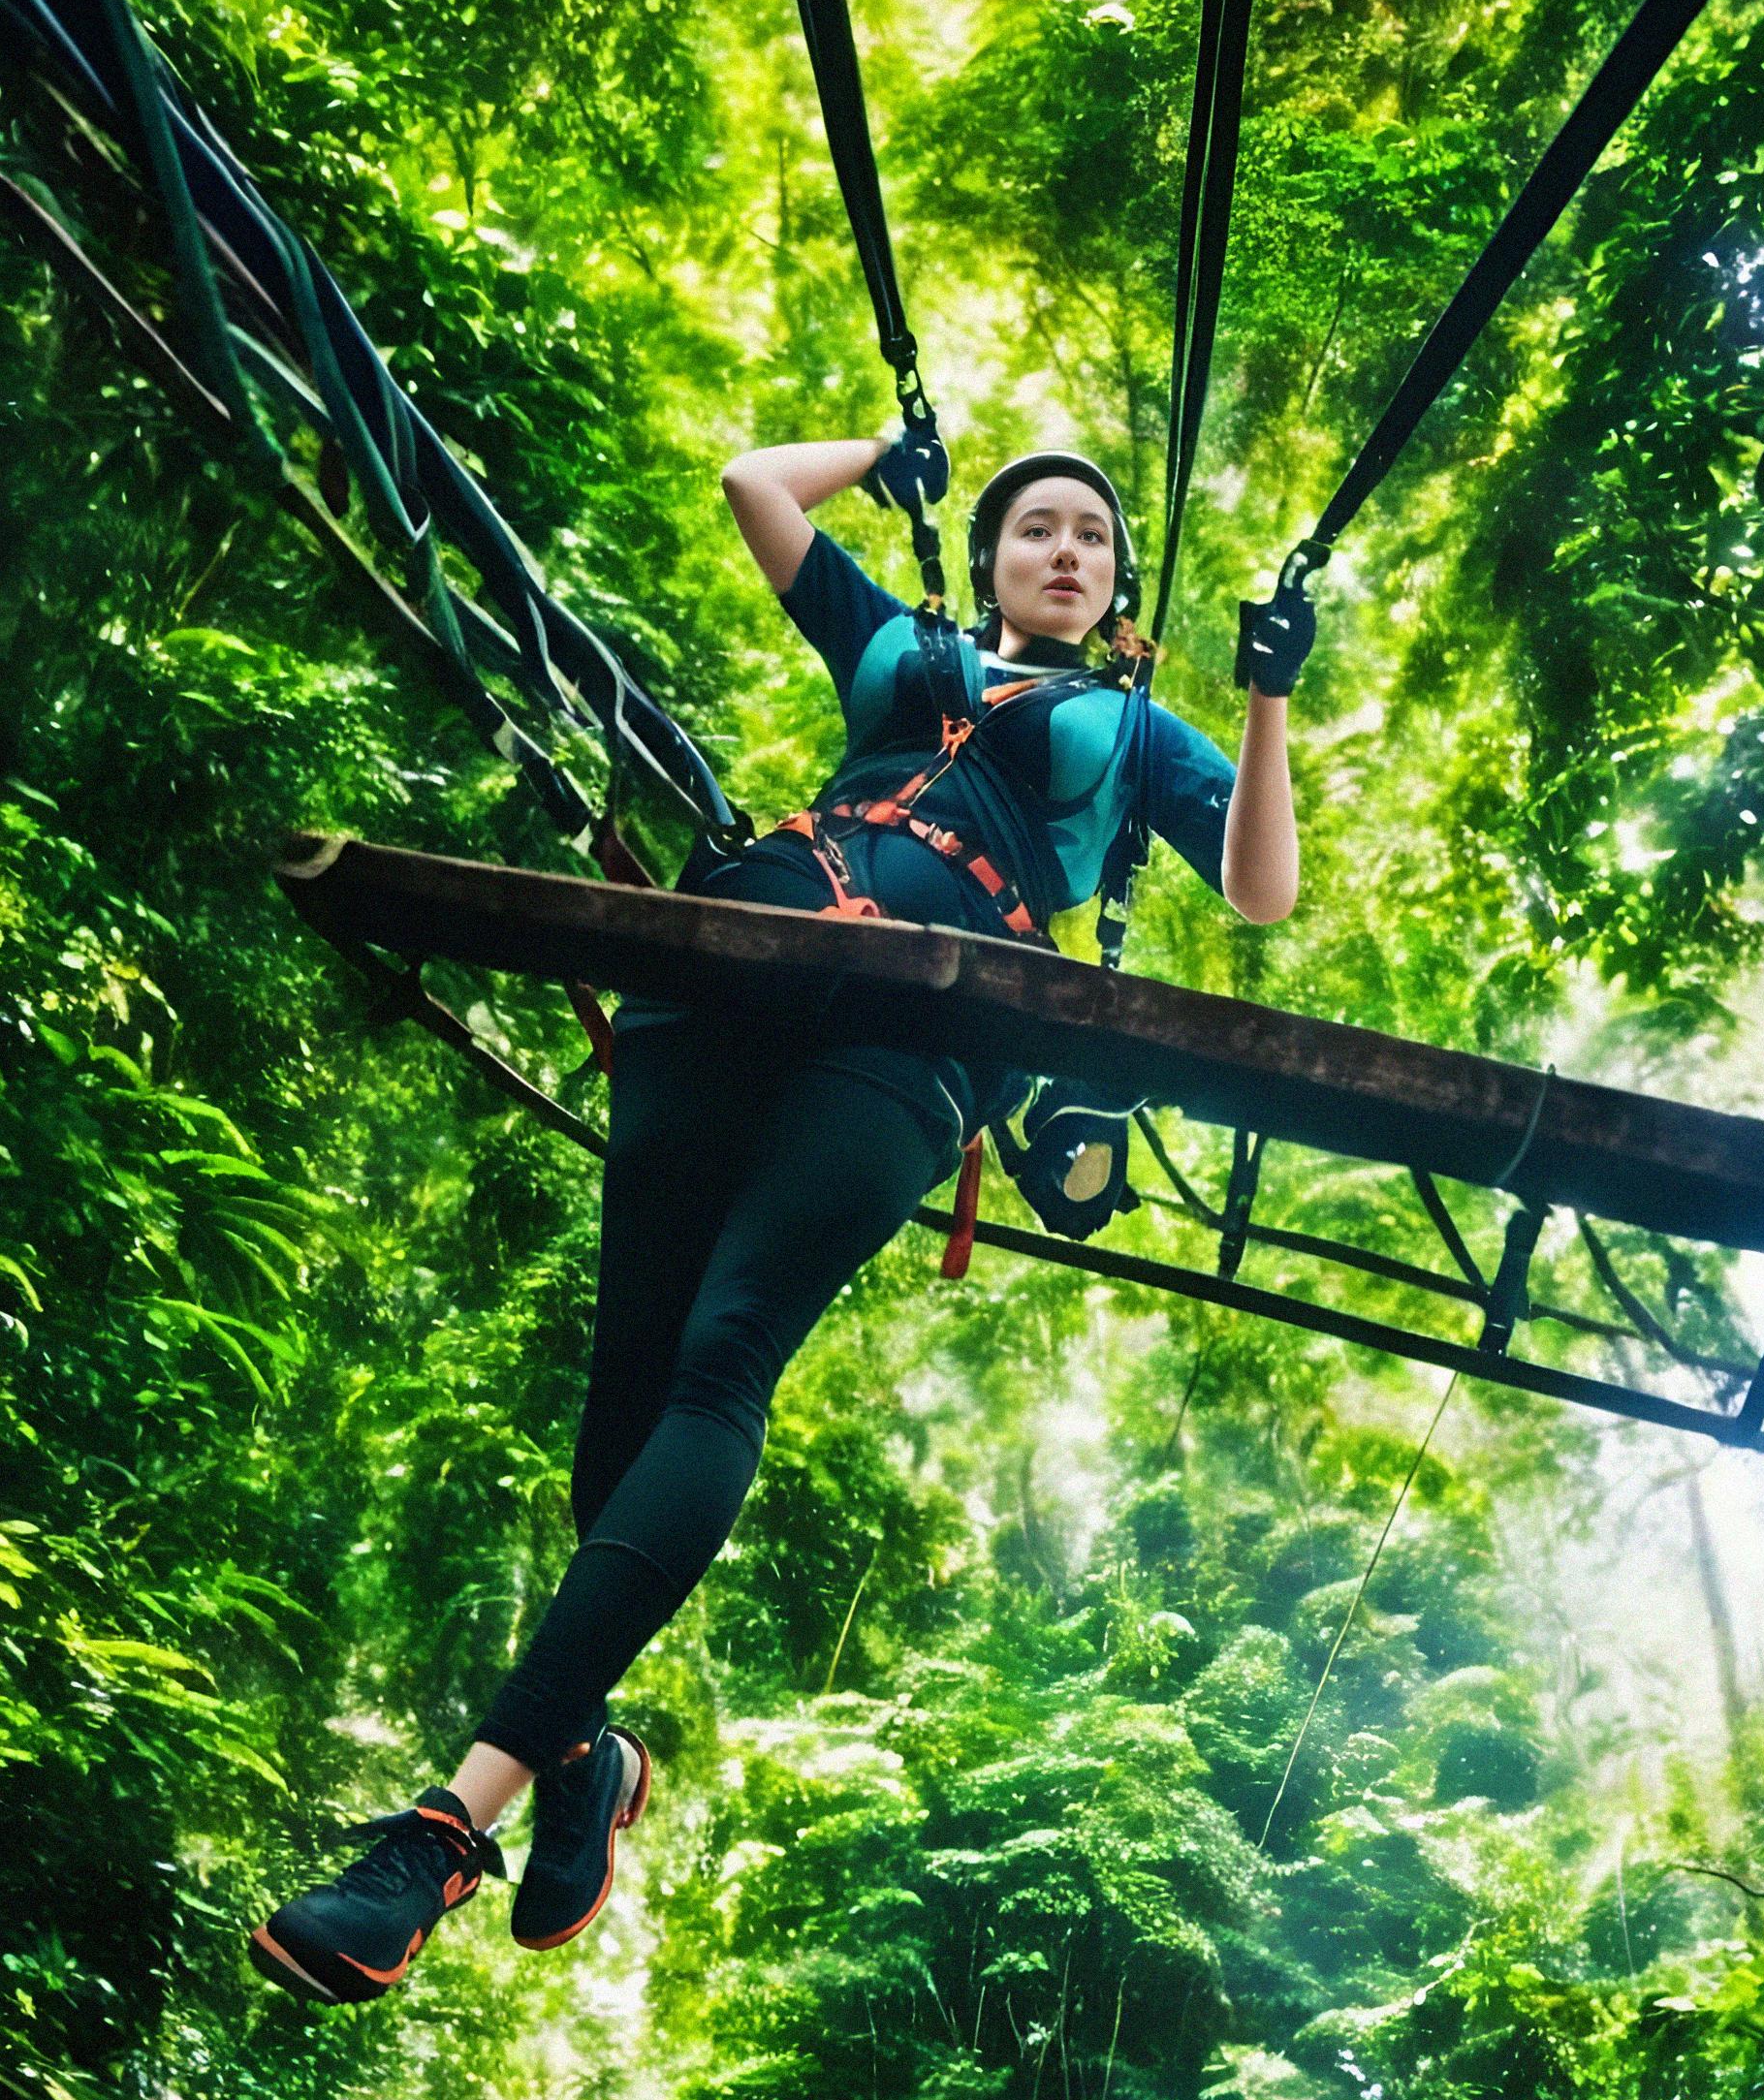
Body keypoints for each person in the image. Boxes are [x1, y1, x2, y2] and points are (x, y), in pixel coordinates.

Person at [248, 434, 1310, 2004]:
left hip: (911, 1035)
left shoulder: (1136, 726)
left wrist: (1269, 699)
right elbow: (755, 487)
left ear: (1115, 589)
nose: (1067, 552)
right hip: (725, 955)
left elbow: (1261, 888)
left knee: (720, 1363)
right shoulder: (906, 642)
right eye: (1036, 527)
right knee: (622, 1404)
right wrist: (893, 450)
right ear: (997, 552)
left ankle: (438, 1837)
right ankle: (587, 1755)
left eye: (1092, 537)